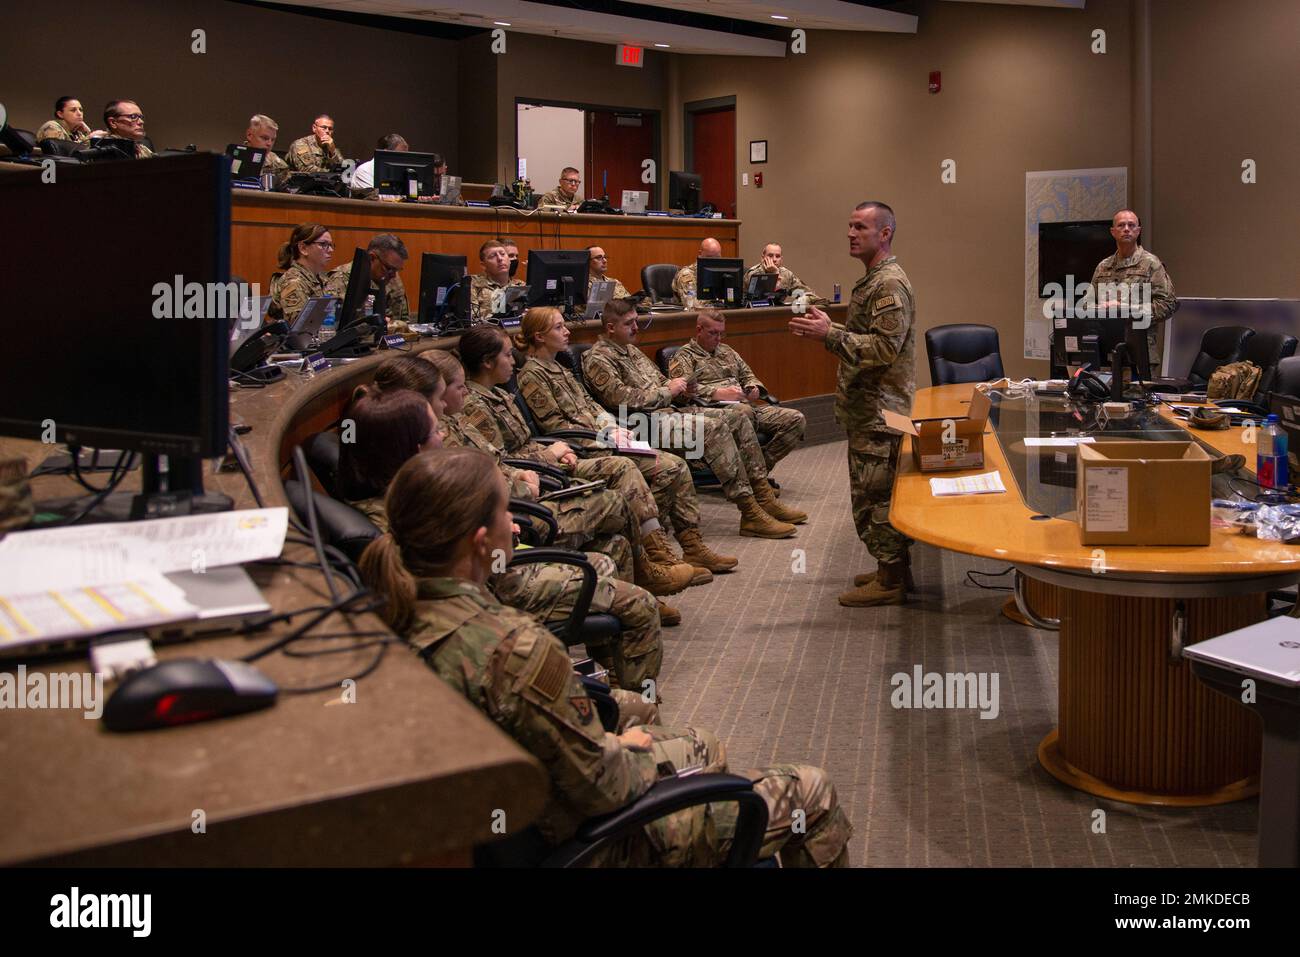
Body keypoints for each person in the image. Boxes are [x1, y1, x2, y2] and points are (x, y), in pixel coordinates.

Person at [360, 448, 853, 866]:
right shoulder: (516, 648)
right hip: (587, 842)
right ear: (480, 541)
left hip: (498, 829)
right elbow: (603, 788)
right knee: (812, 790)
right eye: (505, 512)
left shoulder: (374, 620)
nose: (515, 522)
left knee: (701, 744)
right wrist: (632, 748)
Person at [346, 362, 667, 691]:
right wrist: (497, 538)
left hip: (499, 568)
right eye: (436, 430)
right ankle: (636, 704)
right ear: (416, 448)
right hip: (497, 587)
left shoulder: (414, 490)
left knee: (612, 547)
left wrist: (497, 529)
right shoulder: (405, 508)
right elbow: (453, 576)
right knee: (640, 604)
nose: (444, 433)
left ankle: (611, 672)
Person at [424, 347, 683, 629]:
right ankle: (647, 572)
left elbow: (500, 459)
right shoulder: (444, 433)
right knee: (615, 500)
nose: (464, 393)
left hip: (532, 484)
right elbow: (487, 481)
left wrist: (537, 463)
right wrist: (537, 468)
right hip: (518, 517)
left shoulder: (455, 419)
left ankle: (635, 600)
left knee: (615, 544)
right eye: (455, 388)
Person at [458, 325, 700, 599]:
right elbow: (504, 460)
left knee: (661, 468)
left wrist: (563, 448)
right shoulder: (476, 405)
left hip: (562, 455)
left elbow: (530, 440)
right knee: (623, 476)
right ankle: (650, 565)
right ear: (488, 362)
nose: (513, 359)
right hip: (540, 475)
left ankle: (657, 563)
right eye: (506, 354)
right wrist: (554, 452)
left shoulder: (503, 393)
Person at [514, 307, 738, 575]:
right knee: (665, 467)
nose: (567, 331)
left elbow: (590, 406)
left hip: (604, 437)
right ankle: (654, 553)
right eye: (559, 327)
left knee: (675, 466)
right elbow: (556, 427)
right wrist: (605, 436)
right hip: (582, 449)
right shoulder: (532, 375)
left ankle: (689, 545)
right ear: (539, 337)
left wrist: (613, 428)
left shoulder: (558, 367)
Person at [583, 299, 806, 537]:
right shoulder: (598, 358)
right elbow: (623, 400)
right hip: (639, 423)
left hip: (667, 413)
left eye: (636, 321)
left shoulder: (632, 351)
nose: (636, 327)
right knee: (713, 428)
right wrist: (669, 391)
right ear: (610, 328)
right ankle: (749, 511)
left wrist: (683, 392)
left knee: (736, 418)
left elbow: (663, 384)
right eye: (629, 323)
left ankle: (762, 494)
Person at [789, 201, 915, 608]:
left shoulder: (888, 284)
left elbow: (883, 348)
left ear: (885, 234)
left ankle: (891, 578)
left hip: (879, 411)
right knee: (876, 492)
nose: (850, 233)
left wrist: (830, 336)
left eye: (860, 227)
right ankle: (891, 568)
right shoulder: (872, 280)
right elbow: (869, 336)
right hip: (869, 408)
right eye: (849, 226)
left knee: (874, 496)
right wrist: (833, 329)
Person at [670, 310, 807, 475]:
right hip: (713, 411)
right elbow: (683, 391)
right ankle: (752, 476)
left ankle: (757, 471)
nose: (718, 338)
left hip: (745, 405)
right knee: (744, 412)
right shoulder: (684, 356)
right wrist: (718, 393)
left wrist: (753, 388)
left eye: (722, 333)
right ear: (699, 330)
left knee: (795, 419)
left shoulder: (727, 351)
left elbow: (748, 375)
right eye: (713, 333)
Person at [1085, 209, 1179, 374]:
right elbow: (1086, 305)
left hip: (1139, 353)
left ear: (1138, 231)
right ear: (1113, 232)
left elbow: (1168, 304)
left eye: (1131, 225)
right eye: (1121, 225)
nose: (1126, 229)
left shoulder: (1151, 264)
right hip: (1106, 352)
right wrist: (1099, 308)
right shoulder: (1103, 267)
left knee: (1137, 400)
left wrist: (1126, 309)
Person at [324, 232, 411, 326]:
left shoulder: (391, 277)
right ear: (371, 258)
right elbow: (334, 327)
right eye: (389, 268)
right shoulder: (340, 280)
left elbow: (403, 319)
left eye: (397, 270)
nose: (394, 275)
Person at [266, 223, 332, 327]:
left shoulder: (321, 278)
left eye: (331, 245)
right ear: (303, 248)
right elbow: (300, 330)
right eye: (323, 244)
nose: (330, 250)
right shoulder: (293, 282)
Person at [469, 239, 525, 323]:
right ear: (483, 265)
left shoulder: (520, 285)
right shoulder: (473, 284)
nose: (500, 258)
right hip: (488, 334)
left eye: (503, 254)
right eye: (492, 256)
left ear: (509, 261)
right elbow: (472, 321)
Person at [743, 242, 817, 299]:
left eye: (777, 256)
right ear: (763, 258)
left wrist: (806, 299)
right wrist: (774, 273)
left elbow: (806, 292)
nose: (774, 259)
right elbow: (767, 300)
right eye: (770, 255)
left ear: (781, 259)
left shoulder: (787, 274)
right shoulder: (754, 273)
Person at [672, 238, 722, 310]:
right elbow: (693, 305)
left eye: (717, 258)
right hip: (689, 318)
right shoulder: (686, 275)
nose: (714, 261)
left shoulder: (720, 274)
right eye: (709, 257)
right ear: (700, 254)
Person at [243, 114, 289, 186]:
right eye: (264, 138)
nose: (269, 143)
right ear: (249, 135)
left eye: (273, 140)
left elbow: (289, 192)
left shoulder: (277, 164)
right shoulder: (233, 158)